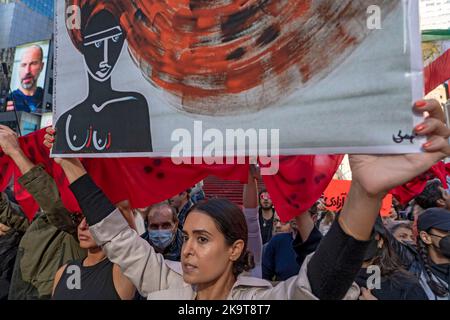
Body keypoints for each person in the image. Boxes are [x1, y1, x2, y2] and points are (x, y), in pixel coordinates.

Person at [43, 98, 450, 300]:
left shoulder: (261, 300)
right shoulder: (167, 286)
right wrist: (73, 169)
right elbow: (117, 237)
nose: (185, 250)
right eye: (185, 237)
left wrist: (363, 193)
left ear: (237, 247)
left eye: (202, 240)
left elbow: (319, 286)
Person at [0, 125, 86, 299]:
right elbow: (6, 211)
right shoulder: (39, 220)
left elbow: (54, 204)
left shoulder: (80, 222)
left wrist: (16, 152)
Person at [54, 8, 152, 154]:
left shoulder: (134, 104)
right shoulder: (66, 121)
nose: (105, 59)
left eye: (114, 40)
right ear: (81, 44)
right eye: (97, 44)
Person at [52, 216, 136, 300]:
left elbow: (132, 244)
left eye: (91, 221)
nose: (81, 226)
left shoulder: (120, 271)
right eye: (78, 219)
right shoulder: (63, 271)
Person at [354, 217, 428, 300]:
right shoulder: (338, 280)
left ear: (380, 241)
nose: (357, 238)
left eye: (365, 232)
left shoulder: (404, 284)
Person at [7, 45, 45, 113]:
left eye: (33, 64)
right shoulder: (9, 101)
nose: (27, 71)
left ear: (41, 66)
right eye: (23, 65)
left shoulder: (47, 97)